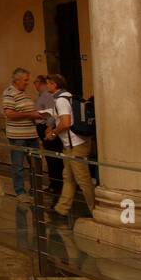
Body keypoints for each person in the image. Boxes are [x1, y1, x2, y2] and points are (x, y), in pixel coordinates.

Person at [46, 73, 95, 221]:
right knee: (68, 177)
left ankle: (95, 210)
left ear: (54, 84)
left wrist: (53, 133)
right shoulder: (68, 97)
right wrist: (51, 124)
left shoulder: (61, 100)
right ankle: (62, 209)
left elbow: (66, 122)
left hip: (76, 145)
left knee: (82, 179)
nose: (47, 86)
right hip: (72, 144)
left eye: (48, 83)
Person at [2, 67, 42, 202]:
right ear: (17, 80)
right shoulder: (9, 93)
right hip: (18, 136)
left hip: (31, 135)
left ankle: (35, 190)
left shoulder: (25, 94)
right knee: (18, 166)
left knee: (36, 164)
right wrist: (30, 114)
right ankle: (20, 192)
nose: (27, 83)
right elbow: (9, 114)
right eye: (25, 80)